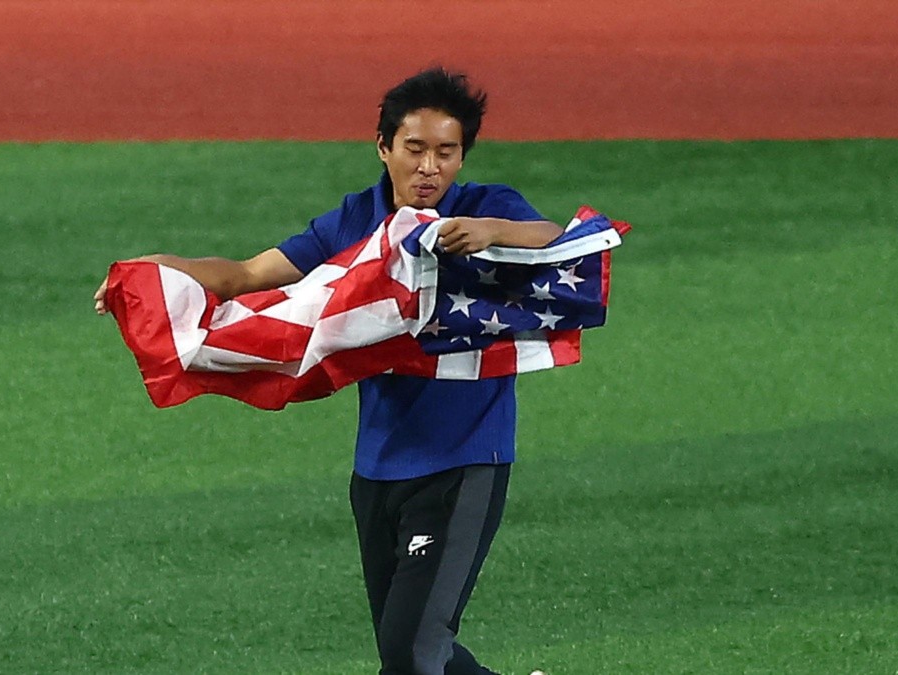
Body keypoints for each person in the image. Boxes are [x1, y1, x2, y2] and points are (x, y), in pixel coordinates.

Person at [95, 67, 561, 675]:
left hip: (466, 460)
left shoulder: (483, 207)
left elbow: (555, 239)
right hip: (377, 467)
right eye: (414, 149)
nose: (429, 168)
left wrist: (490, 232)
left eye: (446, 153)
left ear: (462, 156)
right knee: (415, 658)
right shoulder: (354, 221)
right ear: (384, 148)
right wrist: (151, 269)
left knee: (412, 652)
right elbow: (247, 276)